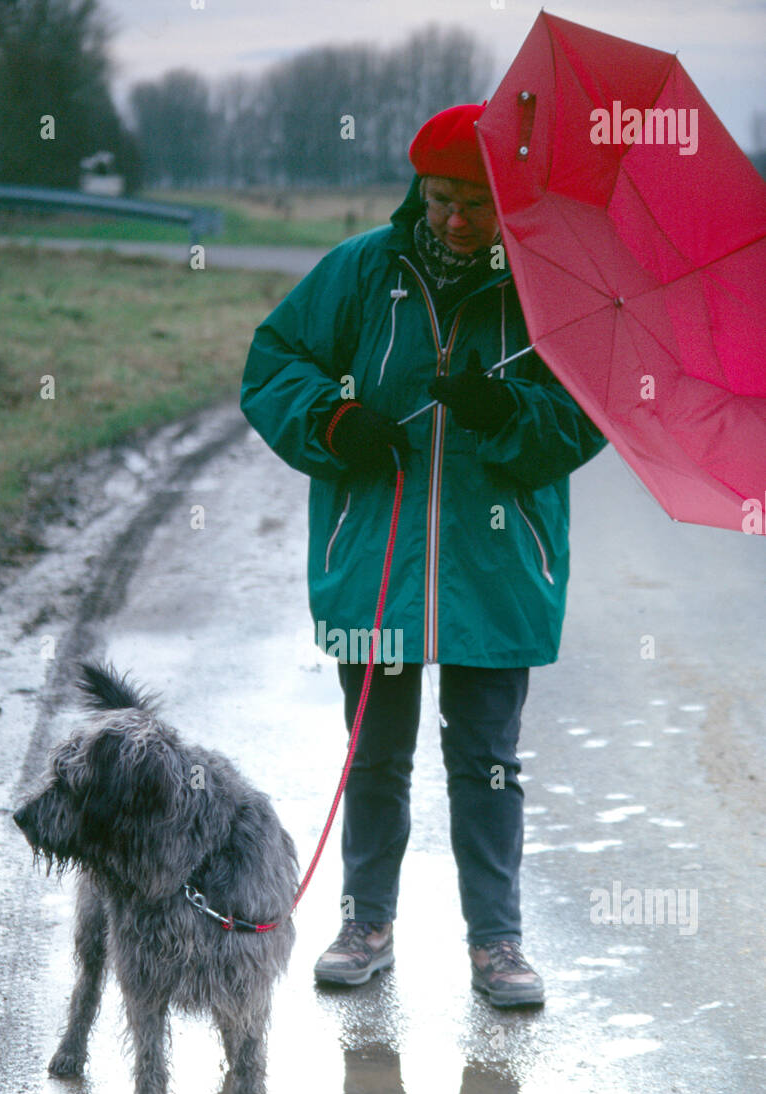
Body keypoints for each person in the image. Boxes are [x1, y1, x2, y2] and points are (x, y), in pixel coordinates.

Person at [241, 104, 606, 1005]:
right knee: (373, 755)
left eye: (476, 205)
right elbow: (272, 362)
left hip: (498, 573)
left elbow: (583, 418)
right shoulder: (363, 271)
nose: (453, 220)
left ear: (506, 205)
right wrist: (334, 420)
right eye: (441, 199)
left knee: (487, 759)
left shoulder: (547, 288)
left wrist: (504, 414)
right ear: (420, 189)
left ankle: (498, 944)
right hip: (375, 566)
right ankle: (366, 921)